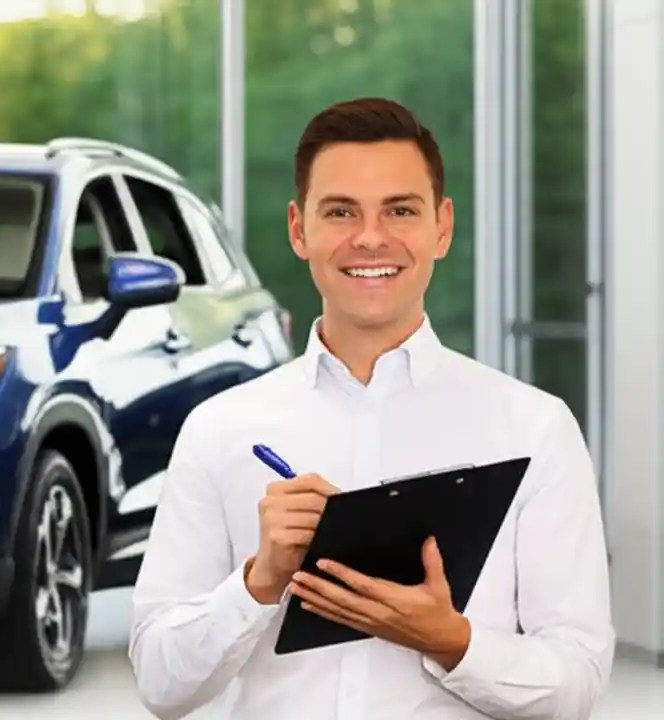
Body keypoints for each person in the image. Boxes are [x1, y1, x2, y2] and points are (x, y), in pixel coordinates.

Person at [128, 97, 615, 720]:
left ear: (442, 226)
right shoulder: (220, 428)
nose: (370, 238)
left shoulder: (532, 428)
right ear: (298, 229)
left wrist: (452, 642)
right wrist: (258, 582)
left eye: (400, 210)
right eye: (340, 211)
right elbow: (161, 687)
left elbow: (576, 684)